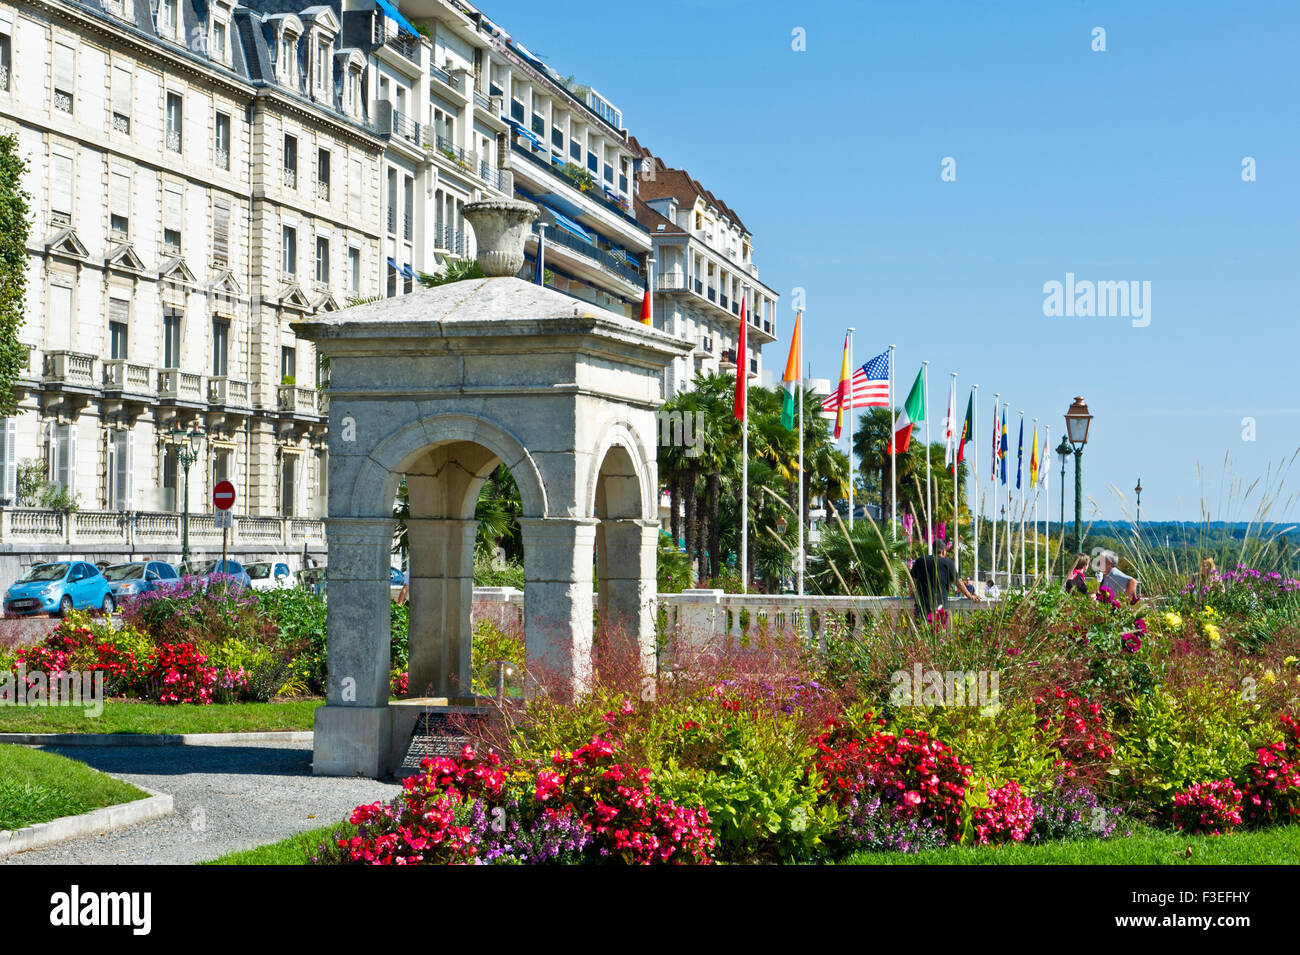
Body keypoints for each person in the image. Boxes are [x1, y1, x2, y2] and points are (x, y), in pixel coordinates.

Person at [908, 539, 979, 619]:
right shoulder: (948, 562)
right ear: (943, 551)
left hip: (921, 607)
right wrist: (970, 596)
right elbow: (959, 583)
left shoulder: (920, 560)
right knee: (938, 630)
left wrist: (911, 593)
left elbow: (911, 579)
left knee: (921, 630)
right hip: (939, 608)